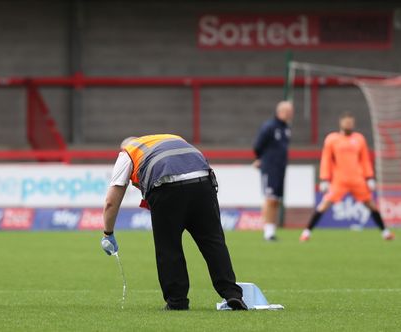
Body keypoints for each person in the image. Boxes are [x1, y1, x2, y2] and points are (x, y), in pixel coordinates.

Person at [100, 134, 247, 311]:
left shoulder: (127, 153)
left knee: (169, 247)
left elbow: (111, 201)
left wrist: (108, 233)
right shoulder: (171, 138)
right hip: (204, 183)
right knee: (213, 242)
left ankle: (177, 301)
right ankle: (232, 294)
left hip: (167, 187)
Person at [300, 112, 395, 241]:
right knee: (324, 204)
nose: (348, 124)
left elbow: (365, 160)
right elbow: (326, 160)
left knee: (371, 205)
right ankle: (307, 232)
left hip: (357, 179)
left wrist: (369, 177)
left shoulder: (359, 139)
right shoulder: (332, 139)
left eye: (350, 122)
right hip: (339, 180)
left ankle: (385, 233)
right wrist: (324, 179)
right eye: (346, 122)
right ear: (341, 123)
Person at [252, 101, 294, 241]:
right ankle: (267, 232)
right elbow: (258, 145)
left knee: (276, 200)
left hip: (280, 169)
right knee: (270, 199)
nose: (290, 114)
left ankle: (271, 230)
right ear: (280, 111)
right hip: (270, 168)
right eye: (288, 111)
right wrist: (261, 159)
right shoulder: (269, 127)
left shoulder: (286, 128)